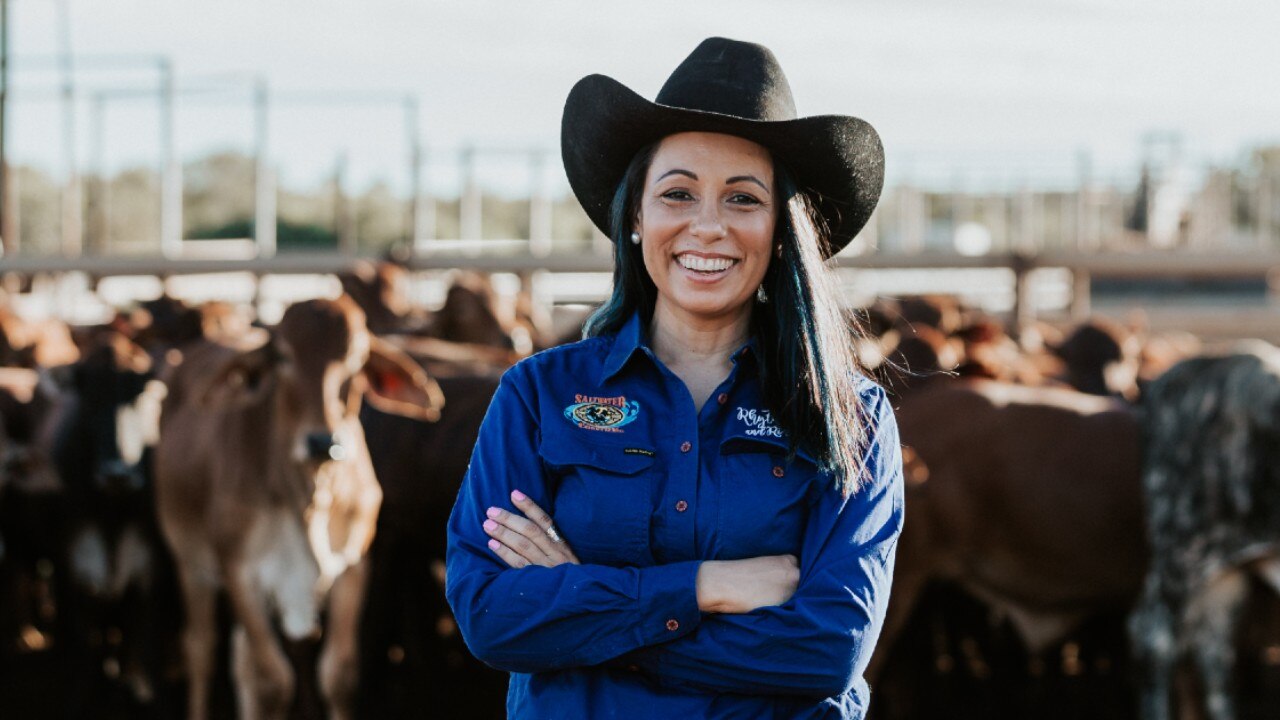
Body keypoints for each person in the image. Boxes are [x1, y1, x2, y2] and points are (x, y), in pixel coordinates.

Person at [445, 37, 904, 719]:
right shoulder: (539, 396)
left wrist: (582, 607)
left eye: (743, 199)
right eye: (678, 193)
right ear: (634, 216)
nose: (709, 226)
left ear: (782, 229)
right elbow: (489, 615)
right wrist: (704, 587)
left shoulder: (851, 416)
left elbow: (828, 648)